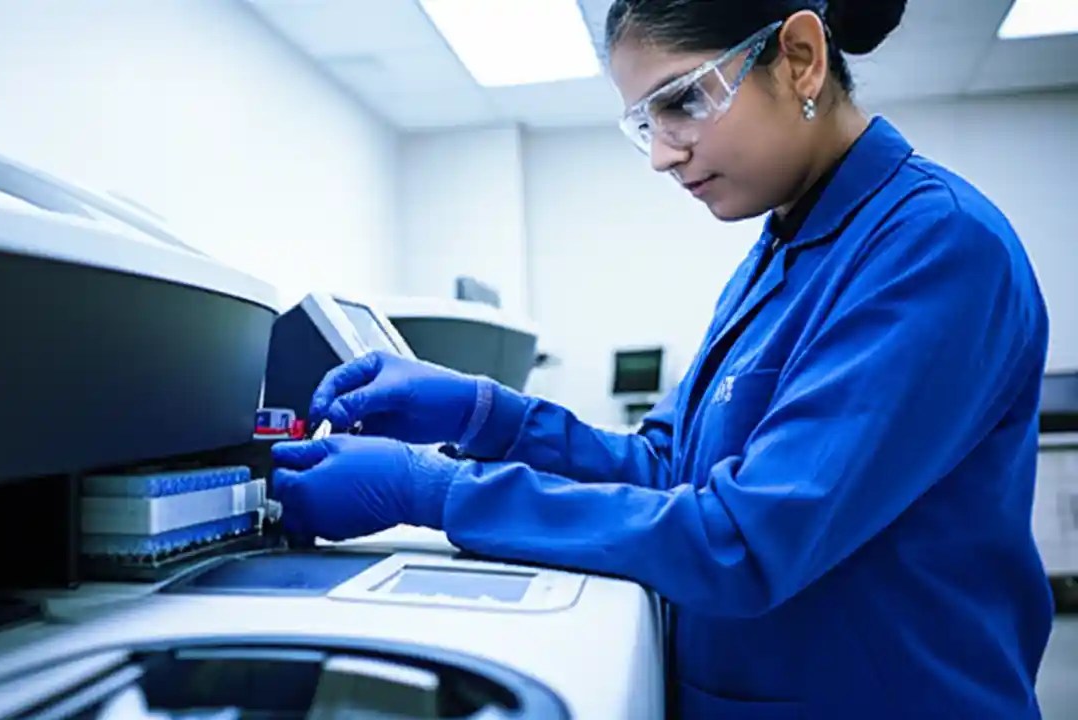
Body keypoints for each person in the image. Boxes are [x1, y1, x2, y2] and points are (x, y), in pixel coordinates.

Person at [270, 0, 1054, 716]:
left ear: (802, 58)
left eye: (682, 100)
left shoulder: (935, 248)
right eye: (645, 122)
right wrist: (488, 414)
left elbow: (743, 538)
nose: (662, 156)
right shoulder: (776, 253)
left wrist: (434, 491)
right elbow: (667, 466)